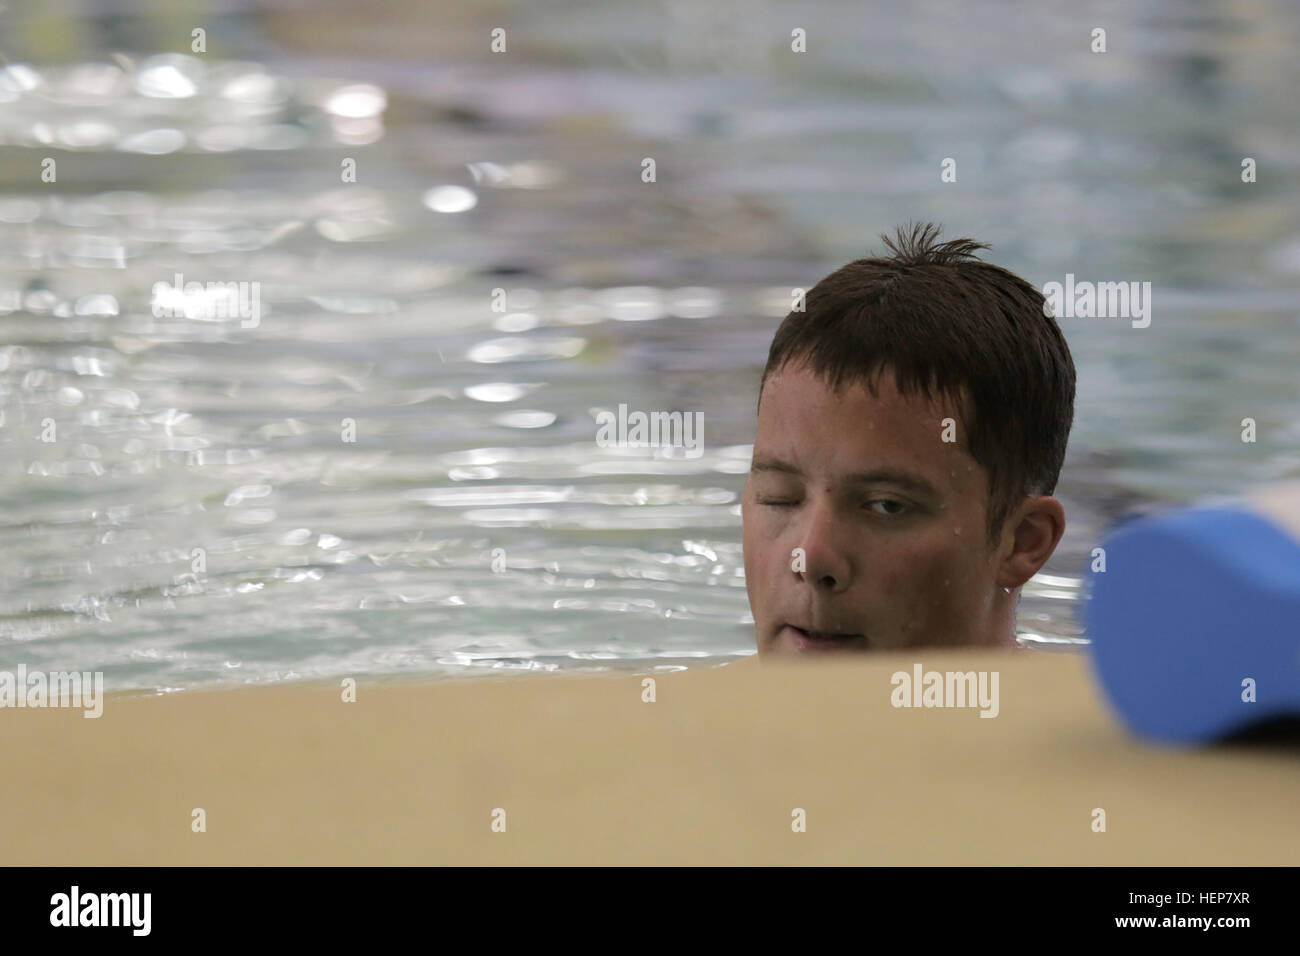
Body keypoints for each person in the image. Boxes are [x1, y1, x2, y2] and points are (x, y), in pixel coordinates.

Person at [744, 223, 1076, 655]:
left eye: (887, 506)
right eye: (779, 498)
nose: (811, 557)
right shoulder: (665, 716)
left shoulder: (1108, 720)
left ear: (1023, 542)